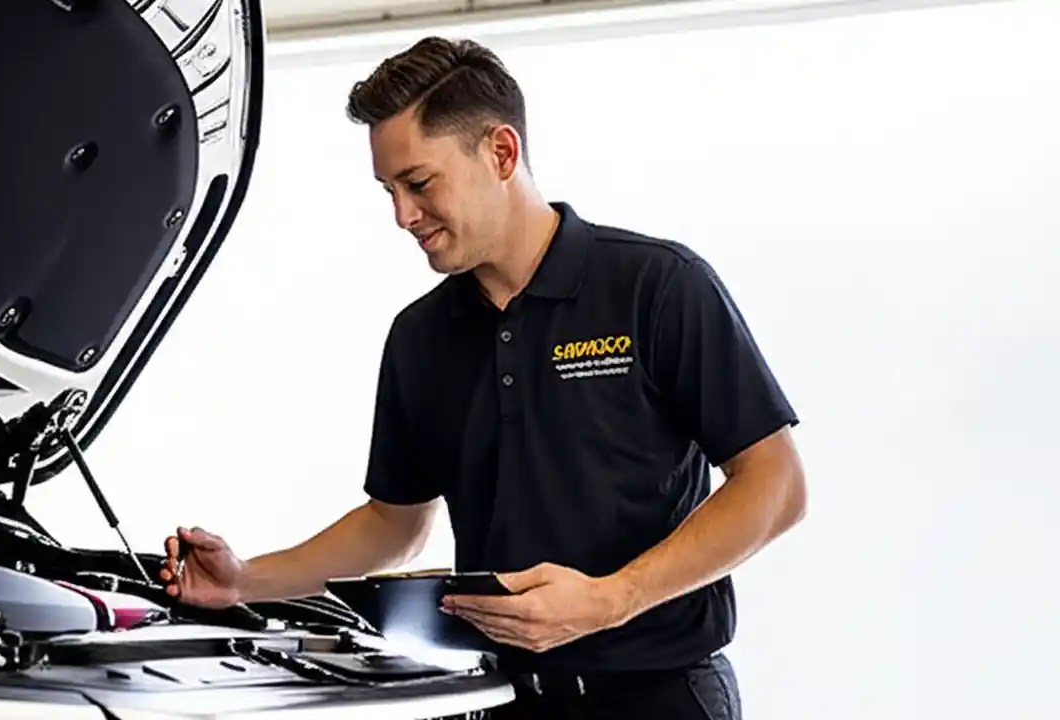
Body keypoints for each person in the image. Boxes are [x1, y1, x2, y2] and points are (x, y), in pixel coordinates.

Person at [160, 36, 806, 719]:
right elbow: (394, 524)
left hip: (662, 698)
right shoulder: (419, 338)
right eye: (389, 191)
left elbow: (777, 484)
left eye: (419, 183)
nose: (403, 216)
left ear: (501, 153)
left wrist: (613, 598)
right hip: (497, 698)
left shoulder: (658, 287)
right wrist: (245, 582)